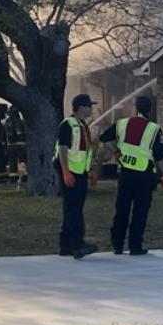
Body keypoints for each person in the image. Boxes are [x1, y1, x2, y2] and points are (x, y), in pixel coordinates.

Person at [108, 94, 163, 256]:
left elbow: (105, 138)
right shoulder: (154, 129)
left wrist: (117, 152)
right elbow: (160, 156)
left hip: (125, 174)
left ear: (135, 107)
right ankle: (135, 246)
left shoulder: (122, 124)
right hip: (144, 176)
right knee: (140, 211)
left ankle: (117, 244)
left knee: (122, 208)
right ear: (150, 109)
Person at [55, 94, 99, 258]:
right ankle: (78, 245)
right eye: (89, 106)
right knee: (74, 209)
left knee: (73, 207)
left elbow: (84, 152)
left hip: (80, 172)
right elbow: (63, 149)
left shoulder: (82, 125)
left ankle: (65, 245)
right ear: (81, 107)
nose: (91, 109)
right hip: (70, 172)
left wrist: (90, 170)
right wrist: (66, 171)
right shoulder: (68, 125)